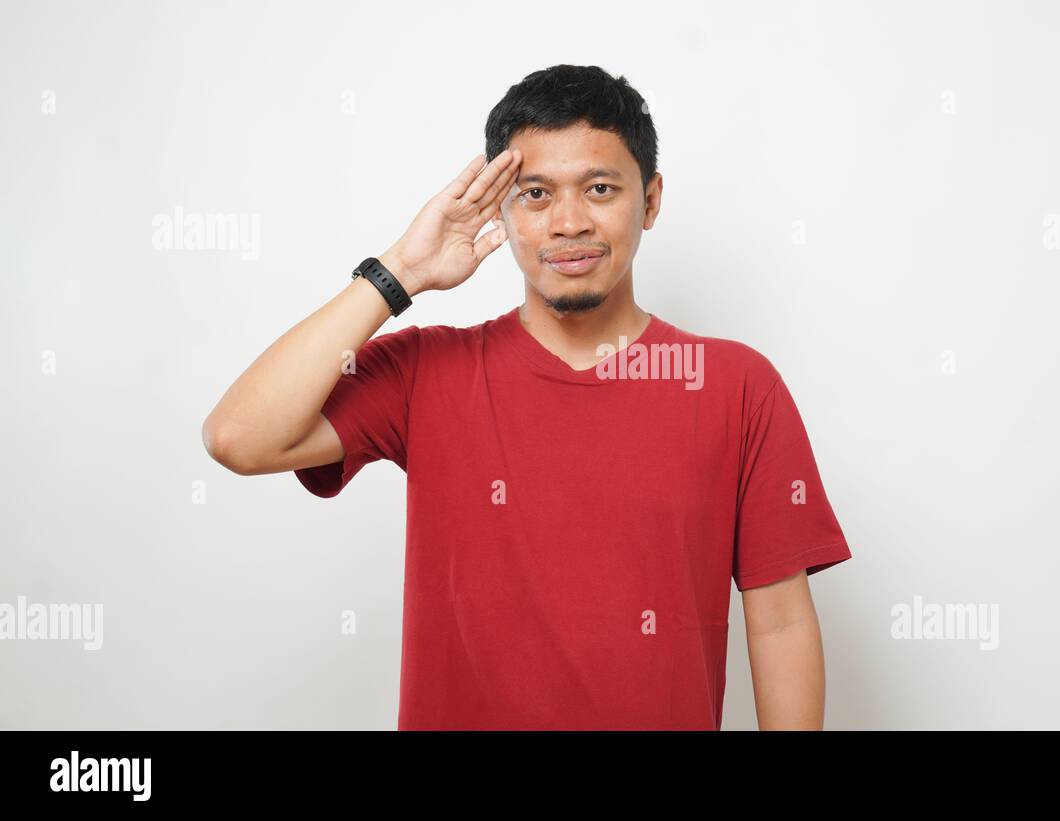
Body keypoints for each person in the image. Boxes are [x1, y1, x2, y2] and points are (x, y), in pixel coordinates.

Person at [201, 64, 852, 730]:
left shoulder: (737, 386)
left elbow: (778, 623)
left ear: (651, 200)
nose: (567, 222)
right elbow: (240, 436)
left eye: (600, 188)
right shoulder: (426, 371)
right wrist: (400, 271)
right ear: (502, 208)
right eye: (535, 193)